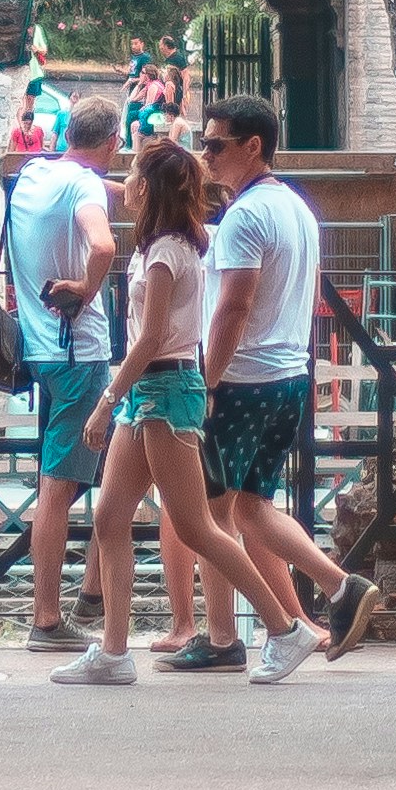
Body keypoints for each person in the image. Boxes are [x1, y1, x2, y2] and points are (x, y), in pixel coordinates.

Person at [52, 138, 283, 687]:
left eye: (134, 174)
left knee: (196, 525)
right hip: (153, 392)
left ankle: (282, 626)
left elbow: (152, 335)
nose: (126, 183)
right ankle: (112, 652)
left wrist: (106, 401)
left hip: (164, 389)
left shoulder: (163, 253)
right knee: (110, 517)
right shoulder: (166, 246)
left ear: (149, 190)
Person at [193, 96, 382, 680]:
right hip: (287, 376)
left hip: (243, 379)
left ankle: (226, 635)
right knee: (250, 508)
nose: (207, 156)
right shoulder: (296, 207)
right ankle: (327, 595)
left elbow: (234, 307)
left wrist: (207, 382)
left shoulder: (247, 217)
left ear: (253, 147)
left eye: (216, 145)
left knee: (210, 512)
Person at [6, 99, 121, 655]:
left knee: (97, 474)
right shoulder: (85, 189)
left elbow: (91, 185)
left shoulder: (35, 171)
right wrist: (87, 287)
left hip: (40, 352)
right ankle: (48, 619)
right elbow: (103, 244)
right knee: (59, 486)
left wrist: (128, 185)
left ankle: (91, 594)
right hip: (80, 355)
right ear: (112, 142)